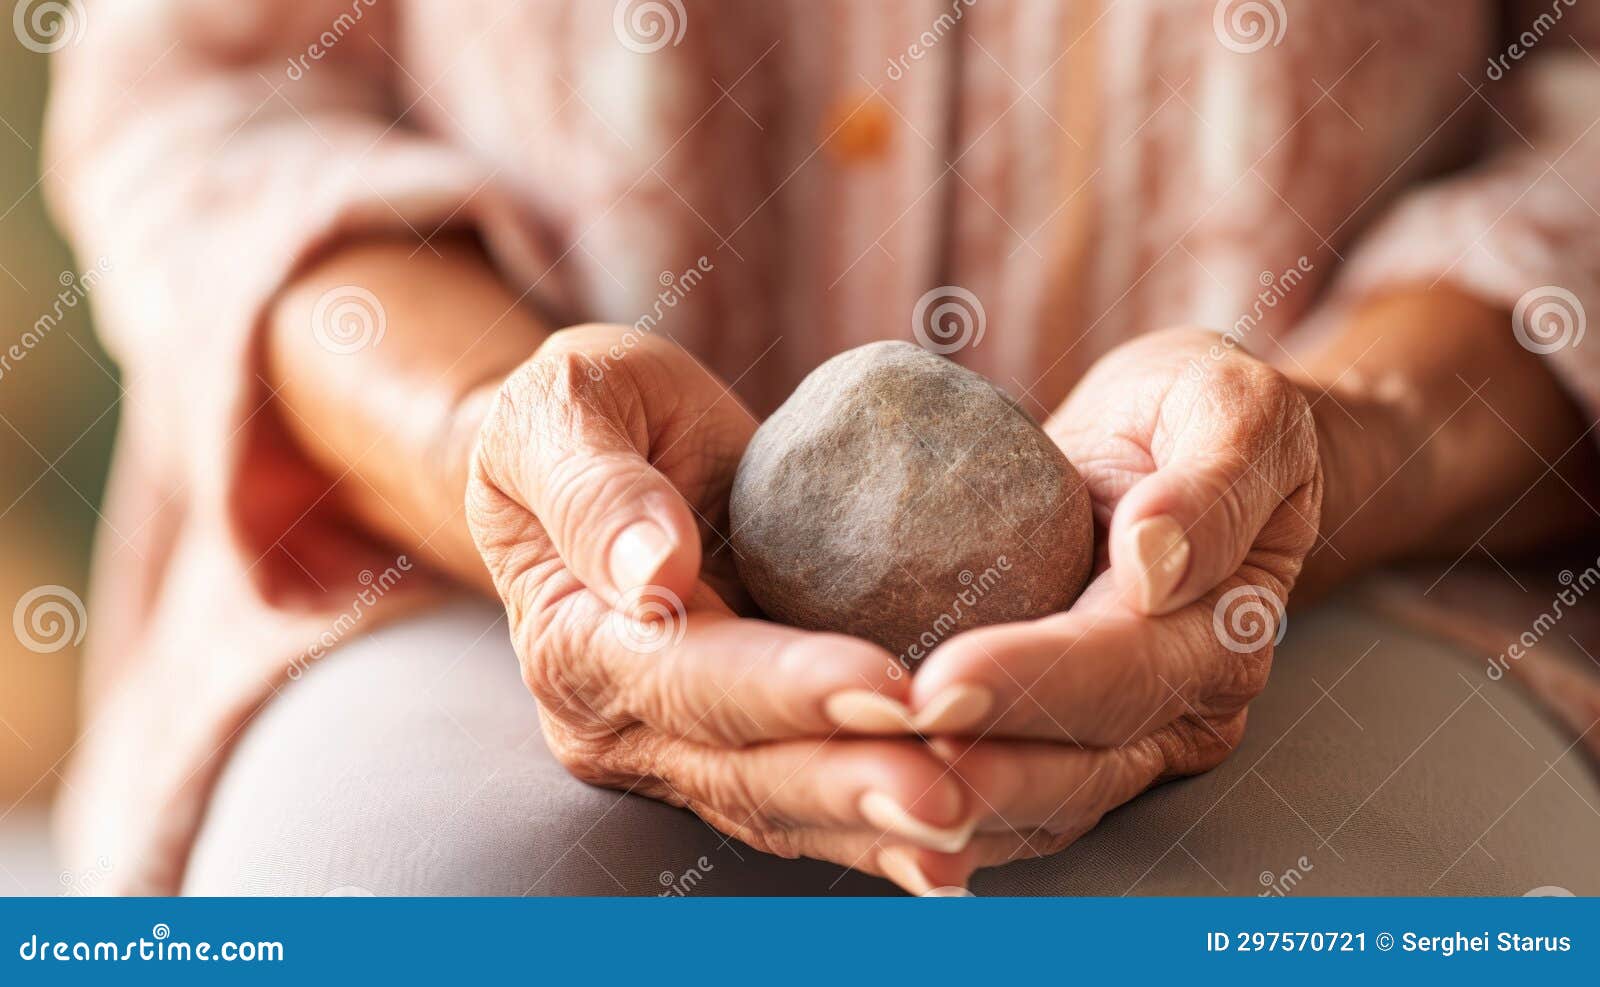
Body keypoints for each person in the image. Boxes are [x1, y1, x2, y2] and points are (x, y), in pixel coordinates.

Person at [43, 0, 1600, 896]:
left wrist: (1338, 445)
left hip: (1364, 584)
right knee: (420, 904)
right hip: (459, 587)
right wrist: (494, 441)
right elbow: (207, 105)